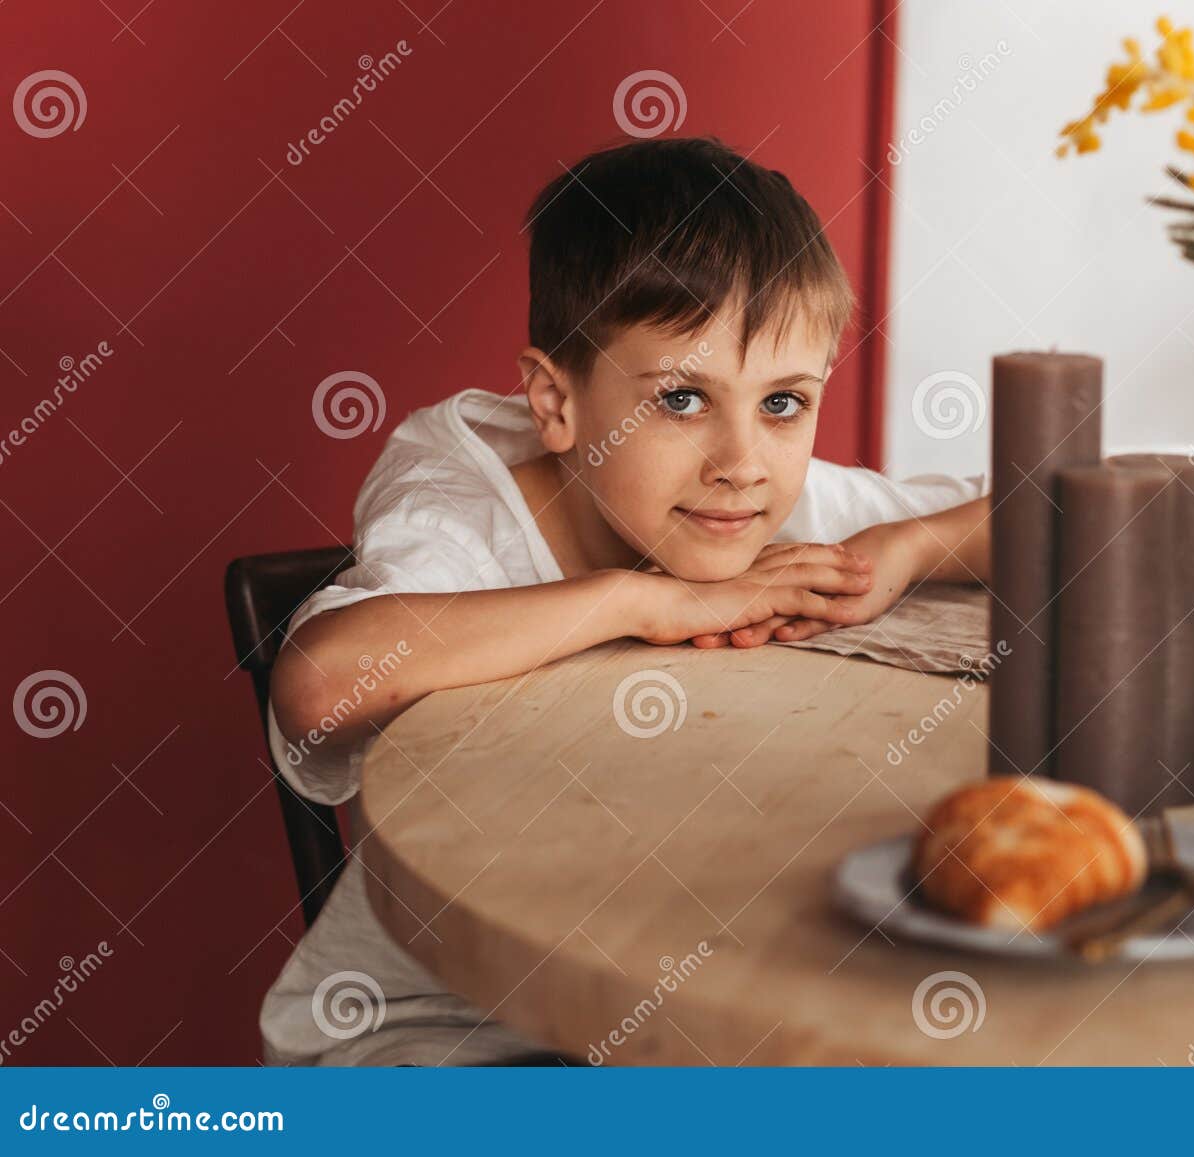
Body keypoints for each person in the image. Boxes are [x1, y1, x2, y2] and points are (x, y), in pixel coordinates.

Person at [262, 136, 991, 1064]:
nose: (740, 462)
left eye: (783, 403)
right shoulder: (462, 510)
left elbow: (1107, 499)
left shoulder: (764, 500)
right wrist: (637, 602)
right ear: (556, 404)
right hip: (447, 1040)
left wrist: (904, 548)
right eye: (682, 399)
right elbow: (319, 686)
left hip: (674, 1016)